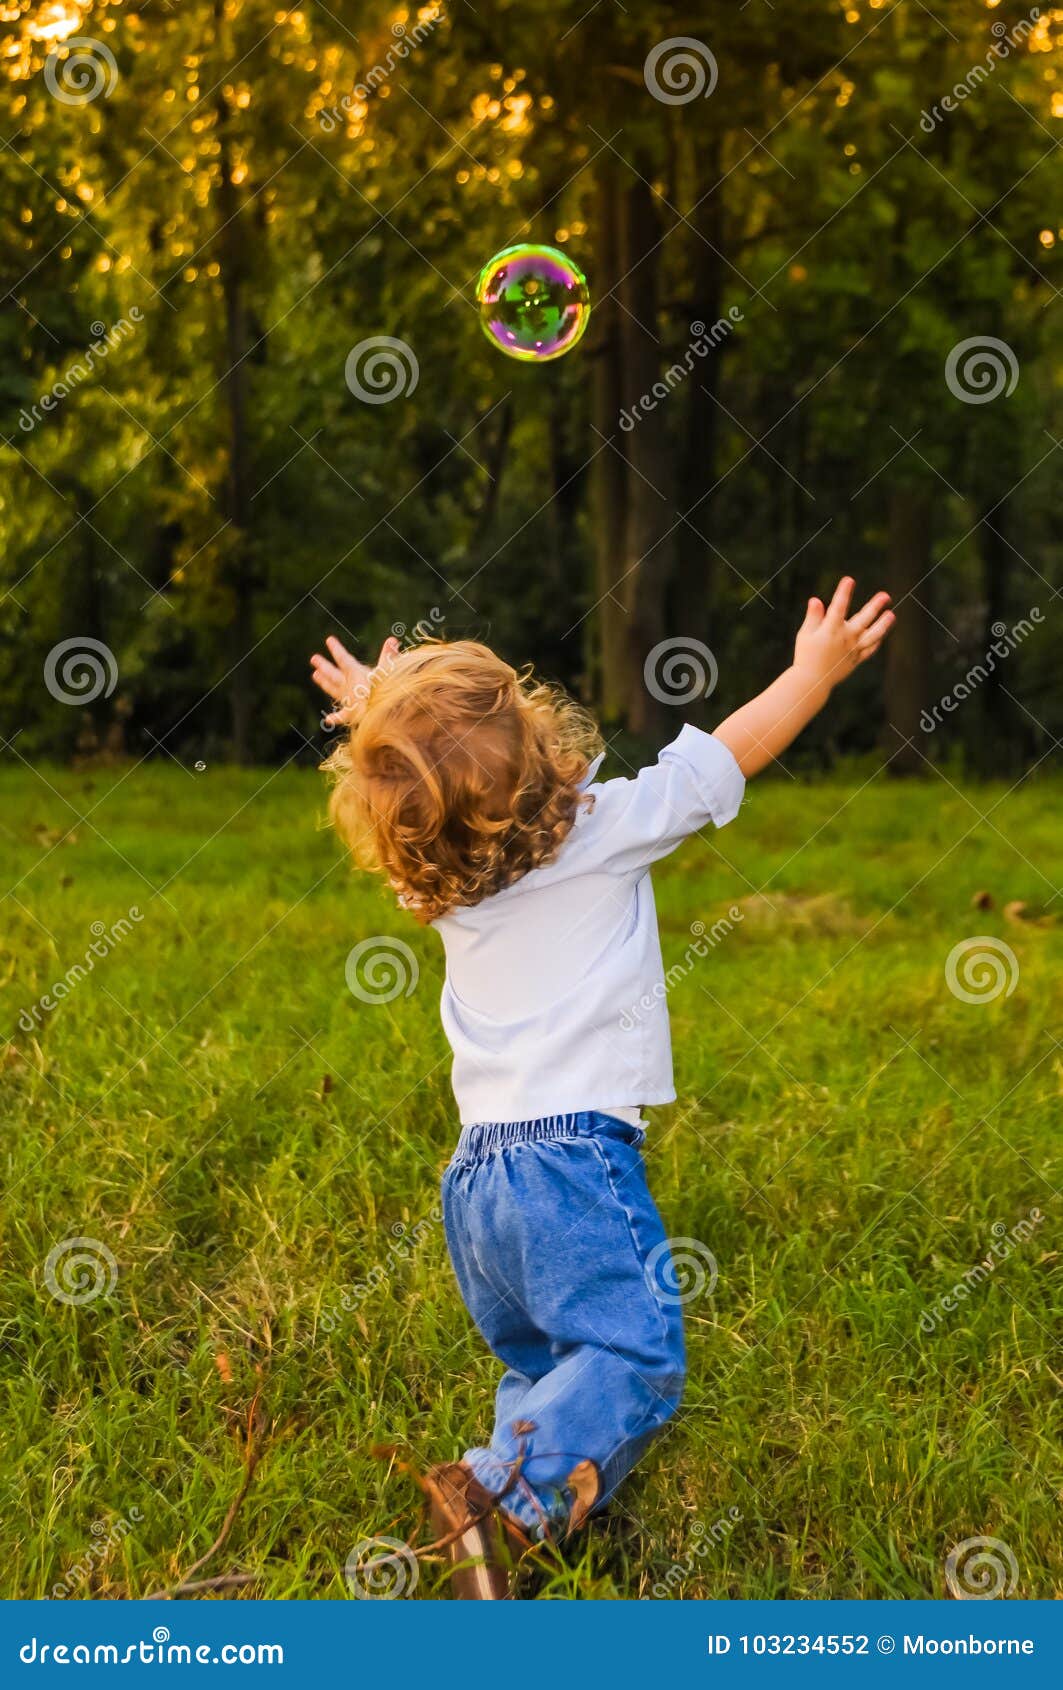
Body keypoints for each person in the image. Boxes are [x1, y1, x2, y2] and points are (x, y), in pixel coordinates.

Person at [311, 577, 894, 1598]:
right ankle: (508, 1496)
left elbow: (432, 792)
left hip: (476, 1185)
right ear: (542, 749)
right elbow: (731, 751)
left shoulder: (435, 880)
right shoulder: (600, 826)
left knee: (545, 1368)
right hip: (571, 1161)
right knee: (632, 1356)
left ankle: (521, 1539)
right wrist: (811, 672)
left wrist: (380, 712)